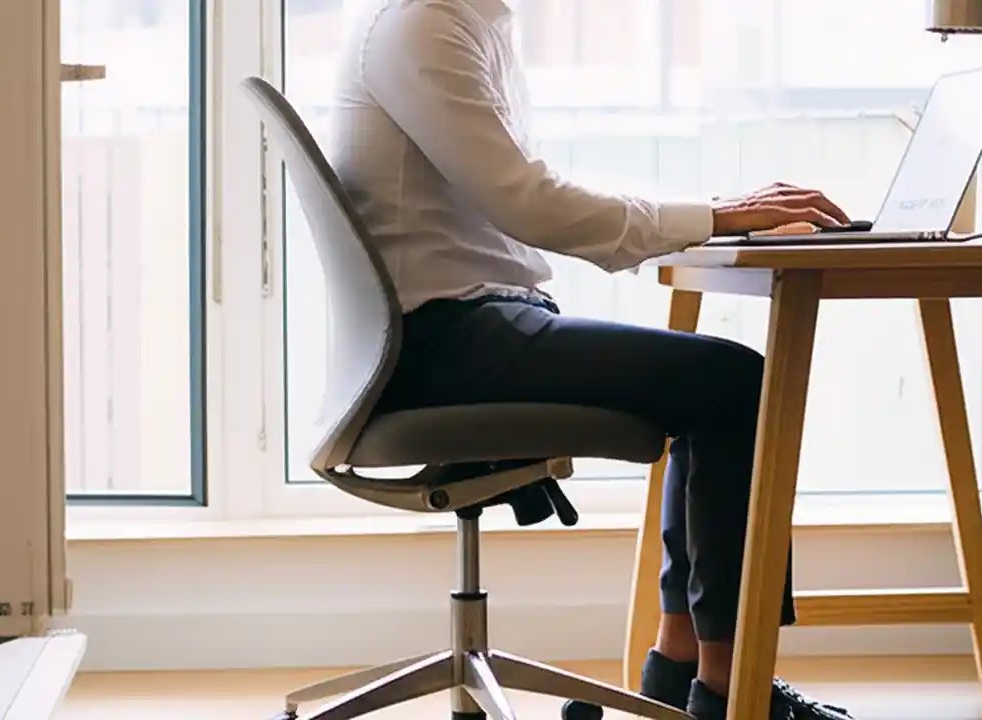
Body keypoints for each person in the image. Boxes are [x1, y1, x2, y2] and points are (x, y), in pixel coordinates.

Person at [328, 1, 855, 718]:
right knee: (735, 382)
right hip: (441, 343)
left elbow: (521, 196)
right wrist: (714, 215)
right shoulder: (423, 24)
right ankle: (735, 694)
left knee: (709, 385)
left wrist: (703, 215)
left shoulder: (462, 20)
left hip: (466, 327)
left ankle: (682, 667)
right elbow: (529, 203)